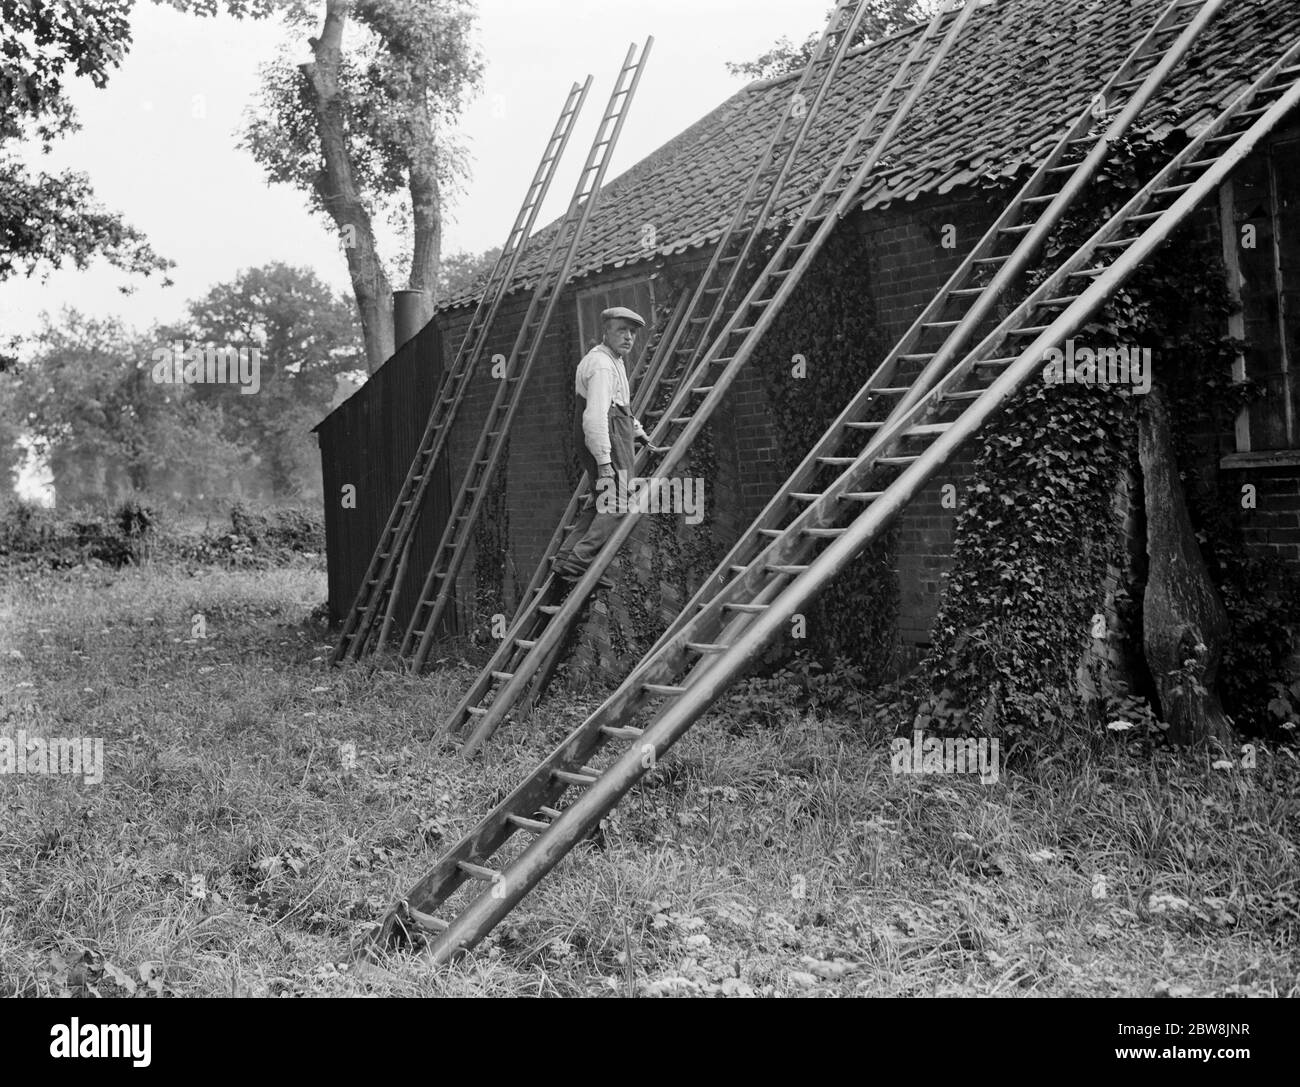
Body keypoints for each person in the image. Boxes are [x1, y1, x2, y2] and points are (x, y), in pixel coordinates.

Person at [553, 306, 667, 589]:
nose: (628, 337)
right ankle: (578, 565)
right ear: (605, 332)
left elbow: (621, 406)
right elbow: (594, 416)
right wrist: (604, 461)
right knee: (618, 502)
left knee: (600, 501)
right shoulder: (602, 364)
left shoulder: (614, 359)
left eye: (631, 332)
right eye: (621, 331)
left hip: (616, 433)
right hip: (606, 437)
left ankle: (566, 558)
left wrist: (639, 433)